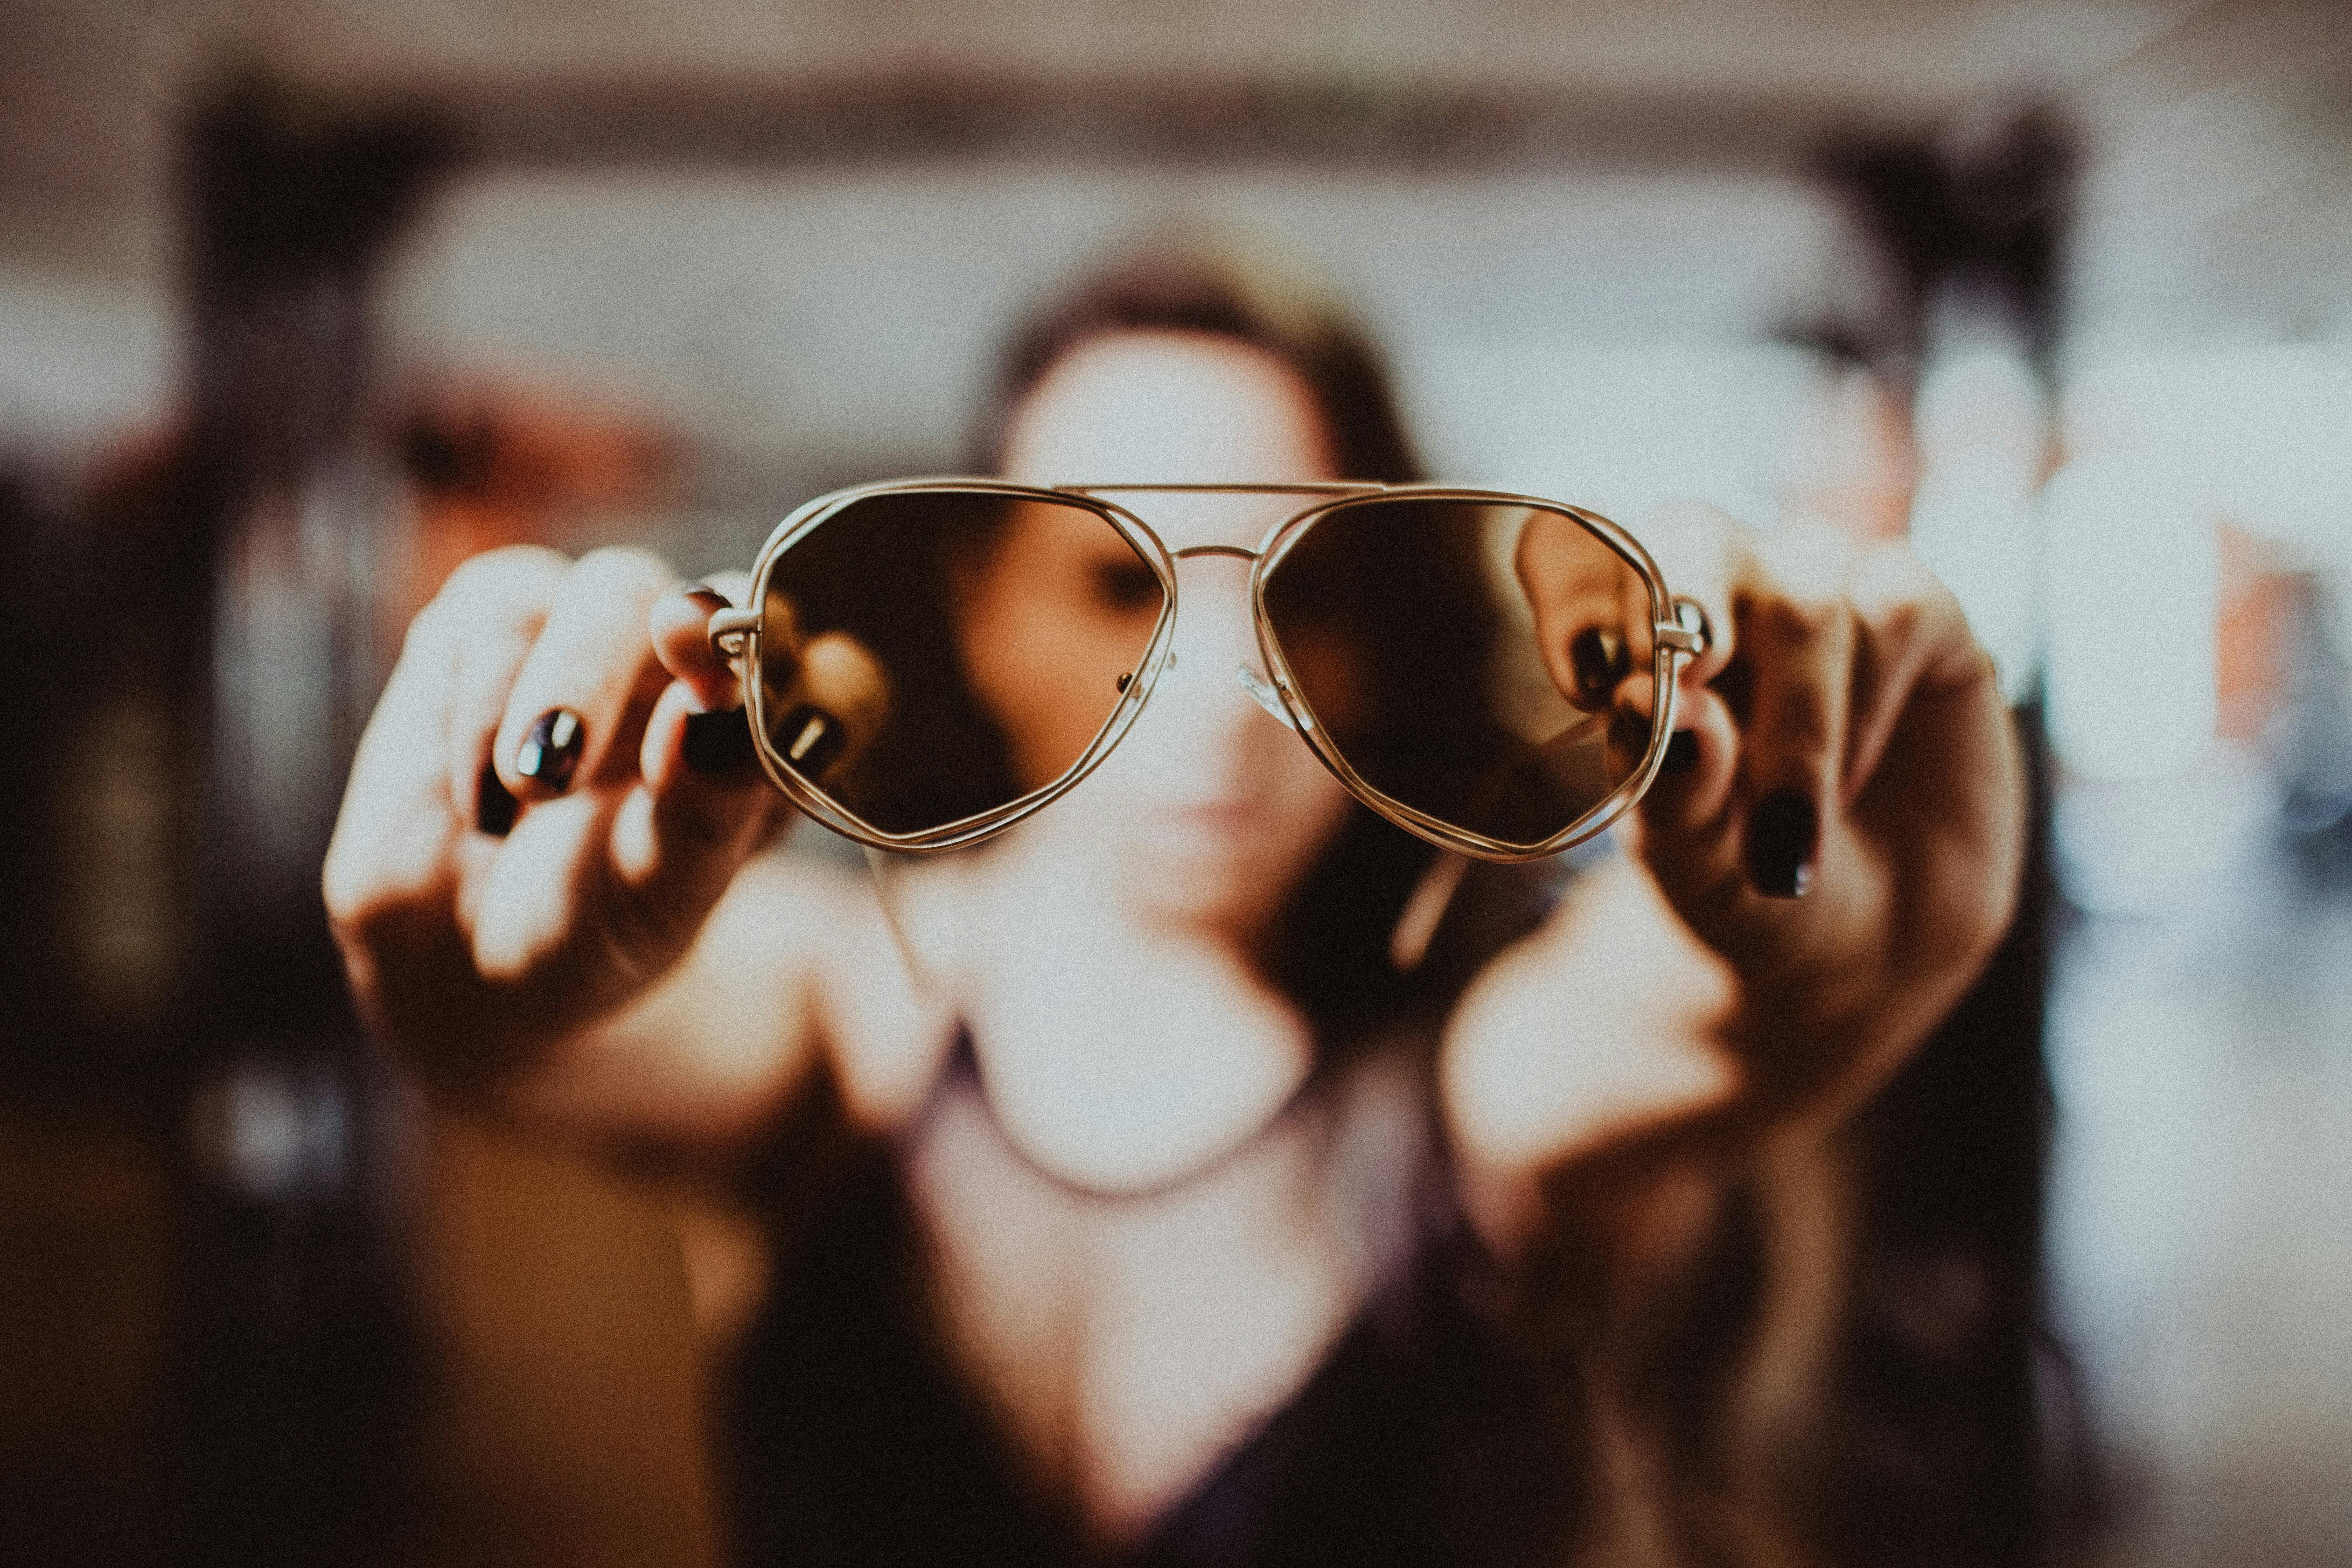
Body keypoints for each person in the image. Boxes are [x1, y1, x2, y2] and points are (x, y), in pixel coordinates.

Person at [323, 242, 2025, 1566]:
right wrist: (461, 984)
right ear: (981, 608)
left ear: (1388, 634)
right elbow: (555, 1031)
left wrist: (1864, 943)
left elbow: (1714, 1016)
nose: (1216, 692)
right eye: (1113, 580)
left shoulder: (1465, 1076)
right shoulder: (844, 1013)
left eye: (1306, 587)